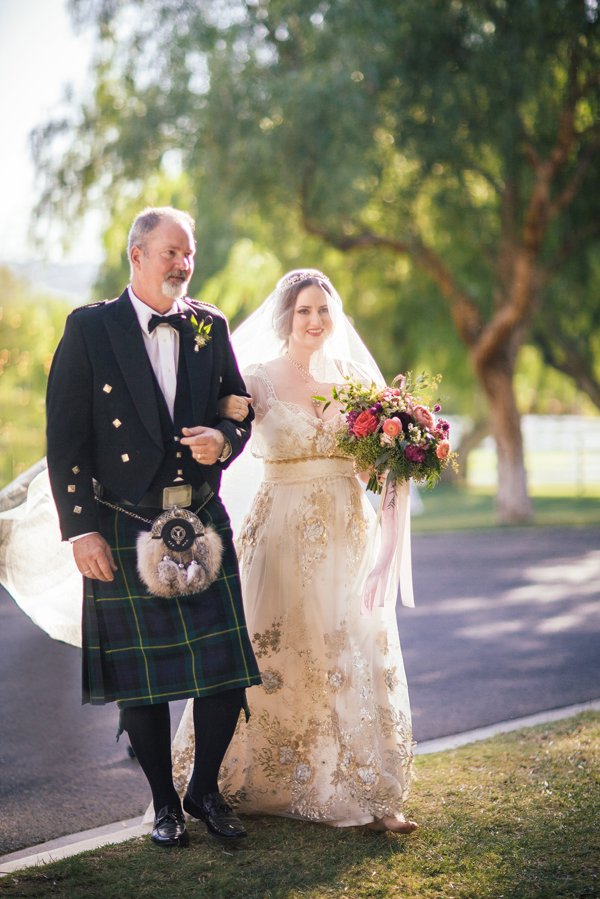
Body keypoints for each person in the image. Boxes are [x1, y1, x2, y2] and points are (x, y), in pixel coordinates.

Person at [169, 269, 418, 833]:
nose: (315, 321)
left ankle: (369, 790)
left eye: (323, 311)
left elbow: (373, 465)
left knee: (349, 645)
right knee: (268, 646)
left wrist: (402, 453)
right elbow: (221, 435)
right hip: (279, 528)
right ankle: (225, 781)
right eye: (304, 311)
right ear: (286, 318)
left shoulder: (356, 381)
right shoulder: (255, 380)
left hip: (346, 528)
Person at [44, 206, 262, 847]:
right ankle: (164, 804)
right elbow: (66, 439)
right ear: (137, 255)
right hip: (122, 523)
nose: (182, 264)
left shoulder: (208, 326)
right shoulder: (90, 329)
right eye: (171, 252)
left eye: (188, 253)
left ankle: (204, 789)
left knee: (225, 669)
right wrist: (80, 530)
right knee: (142, 682)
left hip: (199, 520)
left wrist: (221, 440)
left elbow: (240, 409)